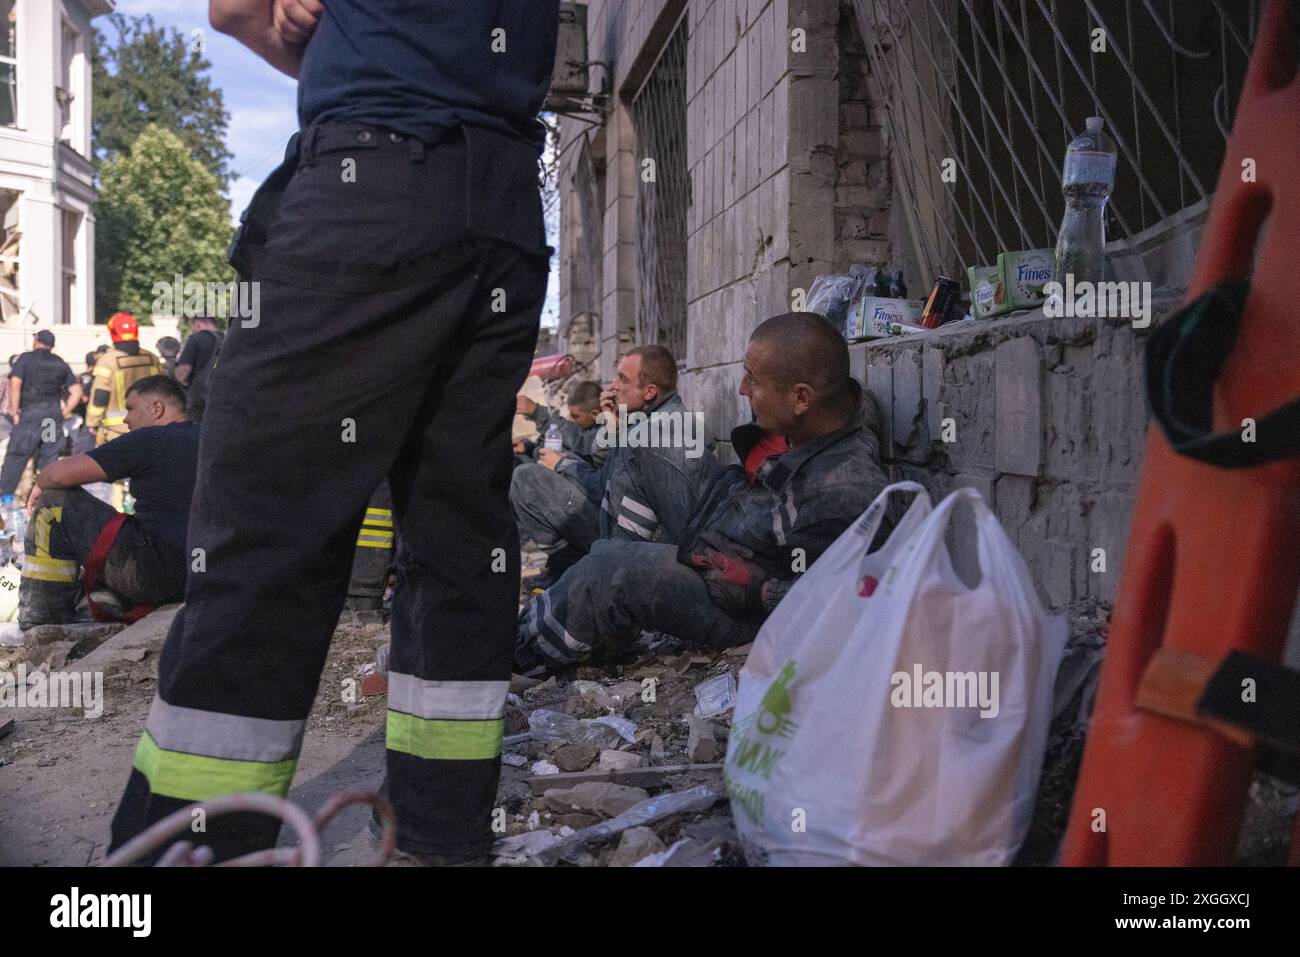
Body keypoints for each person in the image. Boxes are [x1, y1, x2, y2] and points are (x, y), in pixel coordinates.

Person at [109, 0, 559, 866]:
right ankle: (441, 837)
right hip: (505, 207)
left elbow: (236, 9)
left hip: (376, 176)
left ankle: (188, 850)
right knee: (460, 533)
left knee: (266, 521)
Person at [515, 313, 892, 673]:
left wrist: (760, 587)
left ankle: (520, 649)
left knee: (610, 571)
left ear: (802, 399)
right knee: (639, 453)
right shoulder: (829, 412)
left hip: (735, 603)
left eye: (753, 380)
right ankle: (608, 621)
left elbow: (841, 607)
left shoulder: (843, 491)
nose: (743, 389)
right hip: (724, 523)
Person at [510, 345, 719, 578]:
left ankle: (571, 571)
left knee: (526, 479)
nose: (613, 387)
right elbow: (601, 461)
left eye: (622, 379)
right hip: (640, 541)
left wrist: (562, 465)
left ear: (649, 392)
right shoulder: (660, 418)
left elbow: (603, 487)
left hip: (643, 552)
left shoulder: (654, 432)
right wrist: (613, 422)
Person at [18, 376, 199, 628]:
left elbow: (58, 475)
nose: (126, 419)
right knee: (123, 524)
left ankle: (43, 620)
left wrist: (40, 482)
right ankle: (103, 599)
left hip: (156, 574)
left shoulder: (149, 439)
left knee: (55, 501)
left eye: (131, 409)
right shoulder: (213, 440)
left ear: (157, 409)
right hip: (204, 574)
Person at [0, 331, 81, 498]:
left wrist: (15, 412)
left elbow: (15, 385)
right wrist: (63, 412)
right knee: (49, 457)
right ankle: (46, 498)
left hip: (30, 417)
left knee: (17, 456)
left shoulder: (25, 359)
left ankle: (5, 498)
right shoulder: (60, 363)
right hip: (50, 419)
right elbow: (77, 391)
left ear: (36, 341)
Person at [86, 313, 161, 447]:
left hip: (118, 431)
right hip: (150, 425)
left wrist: (92, 422)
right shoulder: (152, 358)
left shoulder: (107, 361)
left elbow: (100, 396)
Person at [174, 316, 224, 422]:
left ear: (198, 324)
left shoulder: (196, 339)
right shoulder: (227, 339)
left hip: (198, 402)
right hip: (221, 398)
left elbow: (183, 373)